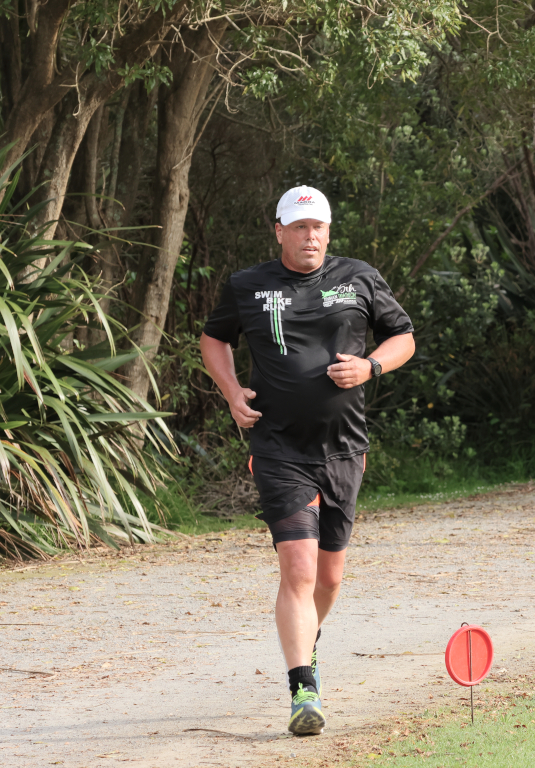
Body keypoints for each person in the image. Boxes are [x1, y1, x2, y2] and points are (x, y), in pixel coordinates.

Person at [200, 185, 415, 736]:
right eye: (298, 227)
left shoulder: (359, 277)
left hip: (345, 448)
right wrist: (230, 391)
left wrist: (370, 367)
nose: (309, 235)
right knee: (297, 568)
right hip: (278, 448)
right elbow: (213, 339)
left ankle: (306, 643)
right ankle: (304, 690)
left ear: (328, 231)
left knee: (329, 578)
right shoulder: (249, 285)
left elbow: (404, 337)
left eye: (317, 226)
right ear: (279, 231)